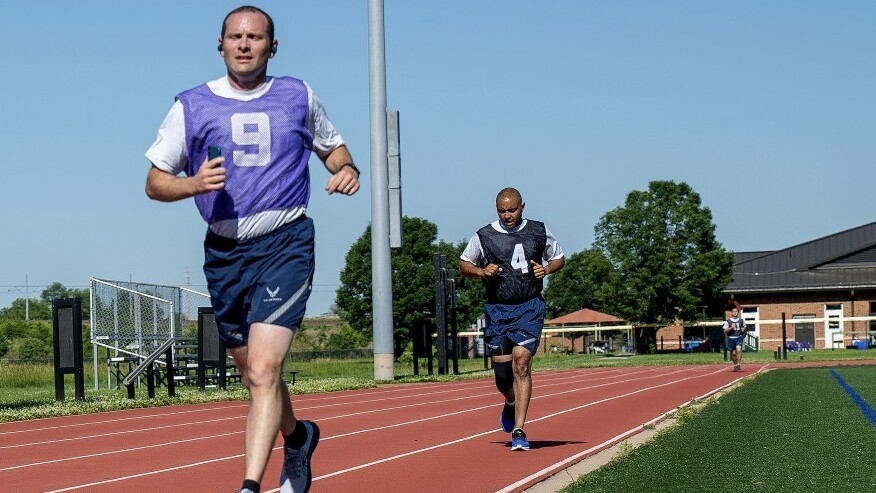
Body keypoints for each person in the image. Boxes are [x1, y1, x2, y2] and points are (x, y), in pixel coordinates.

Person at [144, 6, 360, 493]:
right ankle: (298, 437)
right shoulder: (192, 105)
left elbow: (334, 150)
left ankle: (248, 485)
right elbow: (155, 182)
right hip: (224, 253)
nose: (245, 45)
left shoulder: (297, 95)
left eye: (256, 37)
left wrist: (348, 170)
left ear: (273, 46)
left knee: (265, 369)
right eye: (236, 37)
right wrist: (193, 183)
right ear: (220, 45)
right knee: (253, 374)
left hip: (285, 241)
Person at [458, 188, 565, 451]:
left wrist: (546, 268)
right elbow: (463, 264)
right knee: (503, 380)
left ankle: (519, 430)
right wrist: (481, 271)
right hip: (498, 310)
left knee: (522, 363)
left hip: (529, 307)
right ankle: (509, 402)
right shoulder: (484, 235)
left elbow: (559, 258)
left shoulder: (538, 230)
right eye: (502, 211)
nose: (507, 215)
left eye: (512, 210)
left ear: (522, 207)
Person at [723, 301, 747, 372]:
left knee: (739, 350)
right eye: (734, 311)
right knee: (733, 354)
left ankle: (739, 364)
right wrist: (731, 328)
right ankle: (735, 364)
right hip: (731, 338)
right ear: (732, 312)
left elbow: (745, 328)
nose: (735, 313)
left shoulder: (741, 321)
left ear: (738, 312)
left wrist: (743, 330)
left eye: (736, 311)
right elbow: (724, 331)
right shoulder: (728, 321)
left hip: (738, 337)